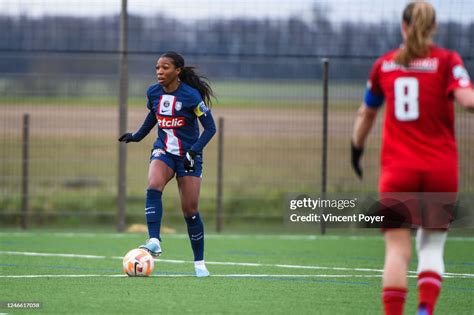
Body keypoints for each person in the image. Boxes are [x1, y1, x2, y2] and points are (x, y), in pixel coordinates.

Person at [350, 2, 474, 314]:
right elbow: (468, 101)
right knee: (431, 246)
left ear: (403, 26)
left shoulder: (384, 65)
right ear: (434, 27)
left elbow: (366, 113)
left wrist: (356, 148)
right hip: (440, 170)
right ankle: (425, 310)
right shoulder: (447, 62)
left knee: (397, 250)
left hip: (398, 170)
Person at [119, 51, 216, 277]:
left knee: (190, 210)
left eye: (165, 68)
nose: (159, 72)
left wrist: (194, 151)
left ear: (177, 71)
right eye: (157, 68)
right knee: (153, 185)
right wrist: (136, 136)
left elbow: (211, 128)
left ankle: (199, 263)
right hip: (163, 151)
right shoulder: (153, 92)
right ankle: (154, 240)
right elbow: (153, 117)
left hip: (189, 156)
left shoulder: (191, 97)